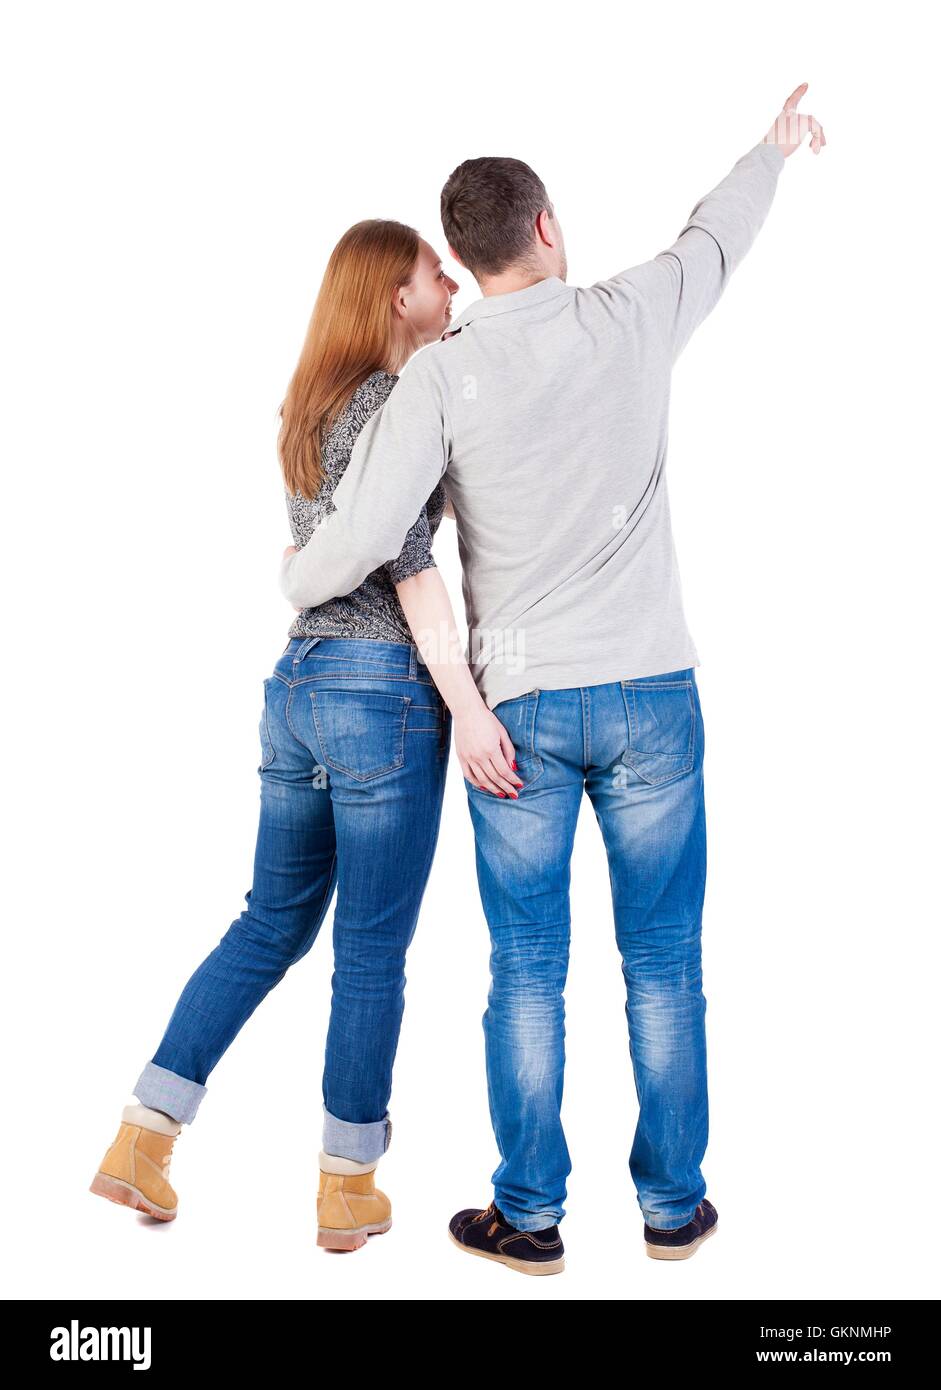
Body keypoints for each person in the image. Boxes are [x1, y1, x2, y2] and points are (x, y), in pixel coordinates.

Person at [278, 85, 826, 1274]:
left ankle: (528, 1215)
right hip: (650, 695)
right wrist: (769, 146)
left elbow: (368, 531)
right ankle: (673, 1209)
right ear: (545, 229)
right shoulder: (630, 313)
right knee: (664, 961)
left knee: (526, 966)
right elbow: (714, 232)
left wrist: (295, 572)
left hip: (512, 712)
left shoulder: (436, 377)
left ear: (466, 267)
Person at [89, 218, 525, 1252]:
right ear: (392, 297)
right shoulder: (392, 401)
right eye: (433, 271)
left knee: (266, 923)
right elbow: (410, 563)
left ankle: (141, 1137)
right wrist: (465, 704)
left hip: (298, 684)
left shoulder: (309, 405)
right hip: (381, 689)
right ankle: (345, 1185)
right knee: (370, 954)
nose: (451, 278)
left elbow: (325, 548)